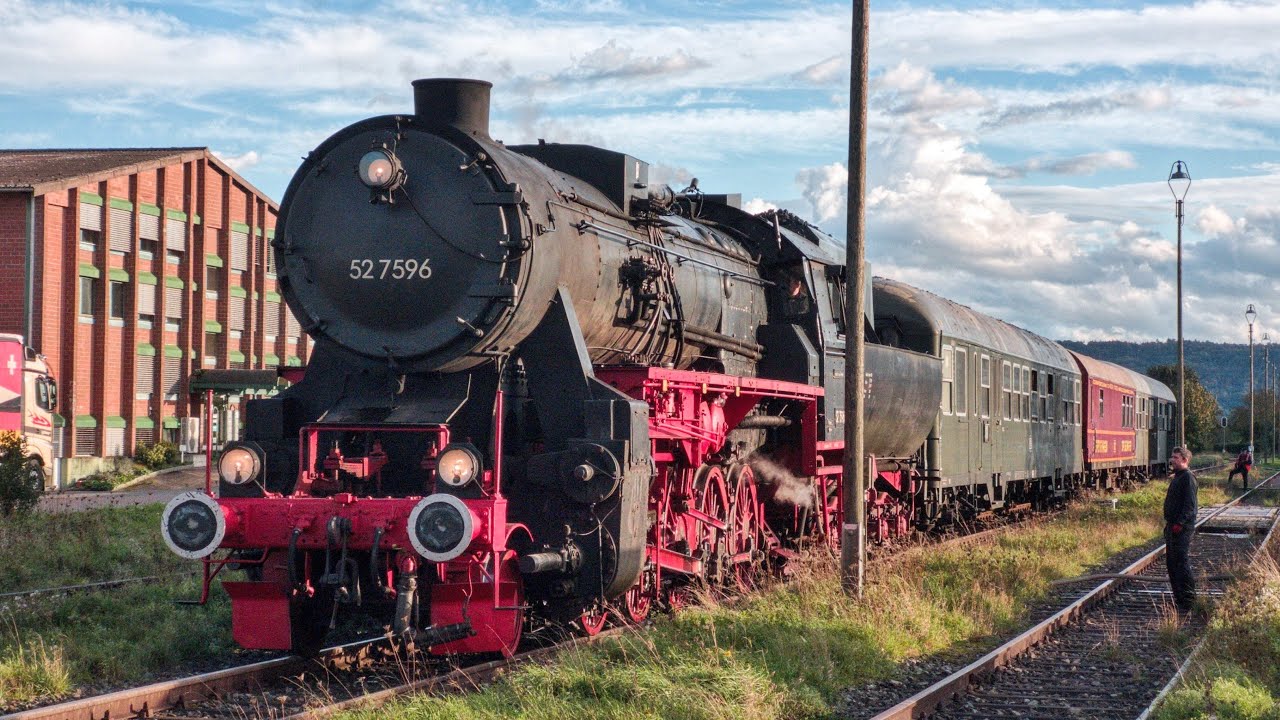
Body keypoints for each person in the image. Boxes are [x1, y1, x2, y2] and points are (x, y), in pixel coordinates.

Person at [1163, 446, 1198, 612]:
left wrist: (1180, 523)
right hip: (1172, 526)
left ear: (1185, 460)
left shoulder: (1188, 478)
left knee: (1181, 562)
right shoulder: (1178, 477)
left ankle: (1188, 599)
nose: (1172, 460)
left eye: (1176, 457)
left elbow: (1190, 506)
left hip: (1181, 528)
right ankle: (1179, 598)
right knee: (1172, 563)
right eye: (1172, 457)